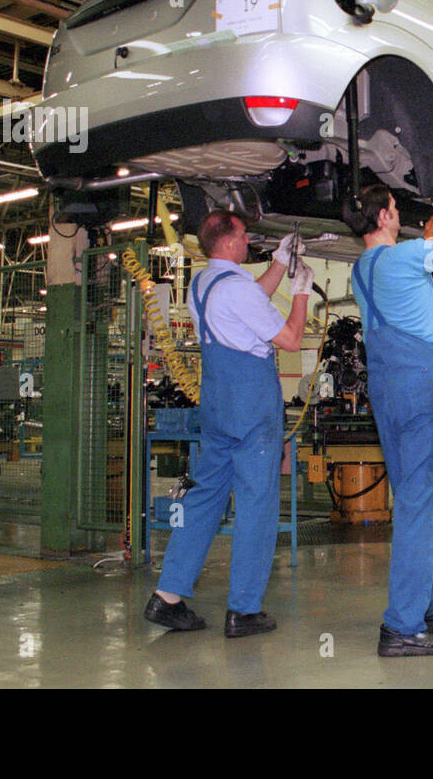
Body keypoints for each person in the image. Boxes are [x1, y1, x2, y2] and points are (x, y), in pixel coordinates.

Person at [144, 211, 311, 637]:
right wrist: (301, 292)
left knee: (204, 499)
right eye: (244, 234)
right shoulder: (235, 288)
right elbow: (291, 339)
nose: (248, 238)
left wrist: (278, 262)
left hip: (217, 405)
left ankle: (168, 596)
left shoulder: (203, 283)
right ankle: (244, 610)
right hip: (252, 407)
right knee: (257, 504)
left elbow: (249, 301)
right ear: (231, 243)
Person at [345, 183, 433, 657]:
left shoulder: (360, 270)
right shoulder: (404, 258)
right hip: (421, 388)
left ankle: (422, 605)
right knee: (420, 505)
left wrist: (428, 240)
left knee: (416, 499)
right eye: (394, 208)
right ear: (382, 218)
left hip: (389, 390)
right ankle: (401, 625)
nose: (398, 213)